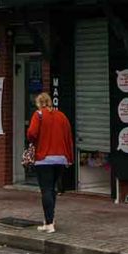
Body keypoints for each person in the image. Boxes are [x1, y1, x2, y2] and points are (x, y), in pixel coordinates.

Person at [25, 92, 74, 234]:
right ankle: (50, 219)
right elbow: (68, 136)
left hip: (44, 158)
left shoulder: (38, 115)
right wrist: (69, 157)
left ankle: (49, 223)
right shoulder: (62, 116)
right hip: (61, 158)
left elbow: (32, 134)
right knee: (52, 189)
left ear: (39, 103)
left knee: (45, 190)